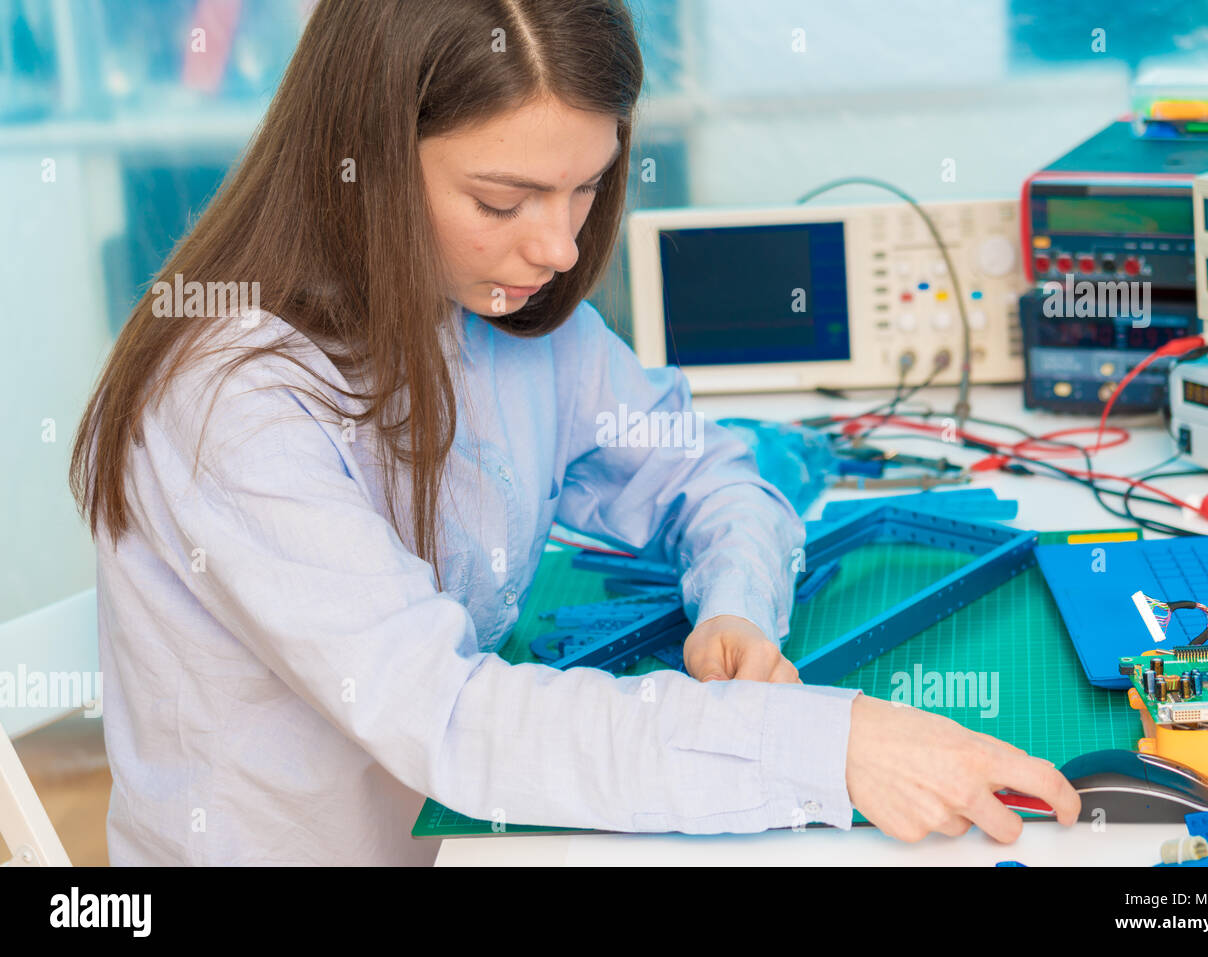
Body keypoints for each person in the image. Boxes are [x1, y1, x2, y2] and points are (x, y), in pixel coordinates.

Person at [69, 0, 1079, 866]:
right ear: (362, 164)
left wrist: (737, 603)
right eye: (501, 200)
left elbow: (711, 477)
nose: (557, 248)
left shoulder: (509, 320)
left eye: (587, 187)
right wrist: (827, 746)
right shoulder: (231, 399)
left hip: (470, 844)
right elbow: (448, 718)